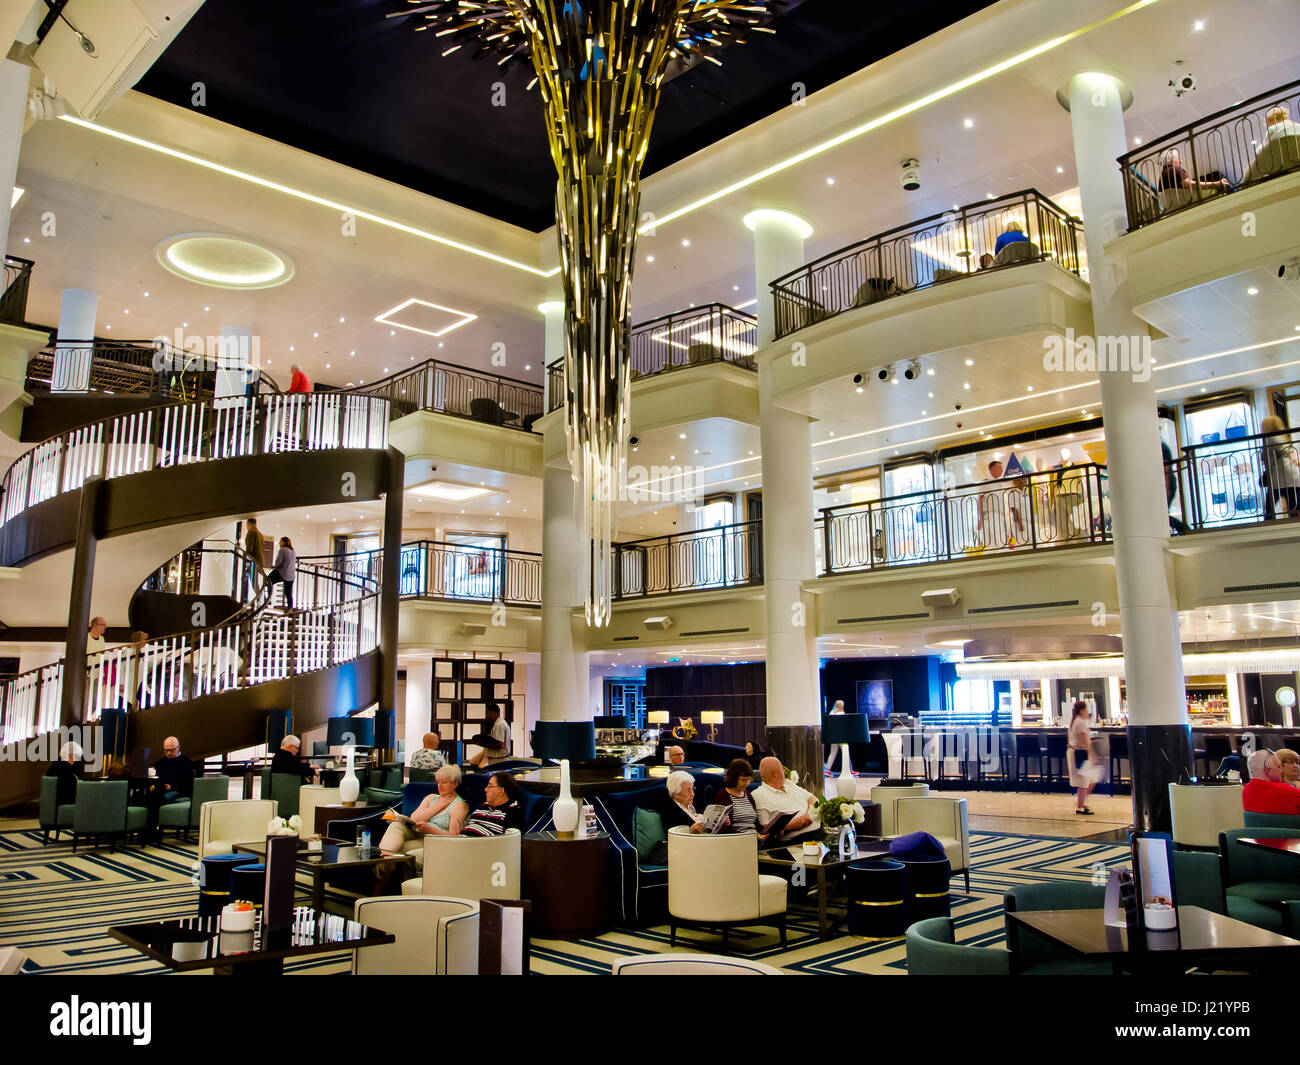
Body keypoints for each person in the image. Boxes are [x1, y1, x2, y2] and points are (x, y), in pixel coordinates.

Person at [378, 765, 469, 869]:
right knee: (396, 825)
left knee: (396, 850)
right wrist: (437, 806)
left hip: (434, 840)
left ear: (455, 783)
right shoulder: (431, 798)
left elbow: (454, 836)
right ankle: (382, 863)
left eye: (444, 782)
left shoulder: (459, 806)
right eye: (438, 782)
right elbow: (414, 819)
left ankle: (380, 864)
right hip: (416, 832)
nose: (440, 786)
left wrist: (431, 830)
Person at [754, 756, 820, 842]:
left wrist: (808, 816)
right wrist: (792, 825)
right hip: (798, 839)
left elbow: (814, 799)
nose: (784, 771)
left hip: (819, 830)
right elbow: (766, 831)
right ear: (775, 774)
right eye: (782, 768)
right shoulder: (759, 795)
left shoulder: (788, 783)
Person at [462, 772, 524, 836]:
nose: (485, 789)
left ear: (500, 791)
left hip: (483, 844)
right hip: (463, 840)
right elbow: (469, 827)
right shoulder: (483, 806)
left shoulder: (513, 811)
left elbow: (509, 840)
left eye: (489, 786)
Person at [1260, 415, 1299, 517]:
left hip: (1280, 476)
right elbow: (1289, 450)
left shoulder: (1271, 438)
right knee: (1295, 504)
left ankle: (1268, 523)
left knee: (1270, 506)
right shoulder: (1279, 437)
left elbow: (1286, 451)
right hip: (1289, 475)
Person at [710, 758, 760, 835]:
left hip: (754, 838)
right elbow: (722, 828)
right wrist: (748, 836)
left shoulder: (748, 795)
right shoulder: (722, 795)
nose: (747, 783)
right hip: (737, 840)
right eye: (743, 780)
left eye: (748, 780)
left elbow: (756, 824)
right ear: (733, 778)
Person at [1243, 750, 1300, 814]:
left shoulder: (1246, 790)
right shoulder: (1287, 791)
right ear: (1269, 771)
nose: (1282, 770)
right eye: (1279, 766)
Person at [1067, 700, 1098, 815]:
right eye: (1086, 710)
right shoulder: (1080, 723)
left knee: (1086, 780)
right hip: (1080, 754)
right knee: (1085, 781)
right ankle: (1081, 805)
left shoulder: (1075, 721)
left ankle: (1082, 803)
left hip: (1076, 752)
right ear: (1081, 710)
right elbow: (1085, 741)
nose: (1087, 712)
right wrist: (1092, 755)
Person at [1157, 147, 1228, 197]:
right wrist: (1216, 184)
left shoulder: (1162, 176)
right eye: (1178, 158)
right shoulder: (1175, 170)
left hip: (1173, 207)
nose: (1181, 161)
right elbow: (1191, 184)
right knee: (1215, 190)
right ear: (1172, 160)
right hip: (1184, 202)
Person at [151, 736, 195, 803]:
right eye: (166, 750)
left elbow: (189, 782)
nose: (169, 753)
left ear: (178, 748)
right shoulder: (160, 762)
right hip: (162, 789)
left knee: (163, 798)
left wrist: (172, 786)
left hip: (179, 790)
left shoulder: (187, 762)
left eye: (172, 750)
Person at [467, 702, 509, 768]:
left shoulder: (499, 725)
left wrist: (482, 744)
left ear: (493, 713)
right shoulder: (498, 724)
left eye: (488, 713)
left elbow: (499, 744)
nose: (487, 716)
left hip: (499, 760)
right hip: (497, 760)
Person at [44, 741, 83, 809]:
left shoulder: (52, 767)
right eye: (77, 757)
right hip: (63, 809)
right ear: (72, 755)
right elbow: (73, 798)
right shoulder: (69, 774)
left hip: (49, 808)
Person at [267, 536, 296, 609]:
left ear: (284, 542)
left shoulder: (282, 550)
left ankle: (268, 600)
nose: (279, 543)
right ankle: (290, 608)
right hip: (291, 575)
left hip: (282, 572)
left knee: (268, 581)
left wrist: (274, 566)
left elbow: (279, 562)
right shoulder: (292, 551)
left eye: (280, 541)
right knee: (288, 593)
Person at [244, 518, 267, 593]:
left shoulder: (251, 532)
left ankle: (261, 600)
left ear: (248, 524)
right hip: (259, 561)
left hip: (253, 561)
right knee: (255, 582)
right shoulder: (260, 534)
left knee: (253, 582)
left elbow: (249, 548)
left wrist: (246, 562)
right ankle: (262, 599)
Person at [826, 699, 846, 774]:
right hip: (840, 735)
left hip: (833, 735)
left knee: (832, 752)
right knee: (846, 751)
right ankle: (849, 769)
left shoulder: (831, 713)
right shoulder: (841, 713)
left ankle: (828, 769)